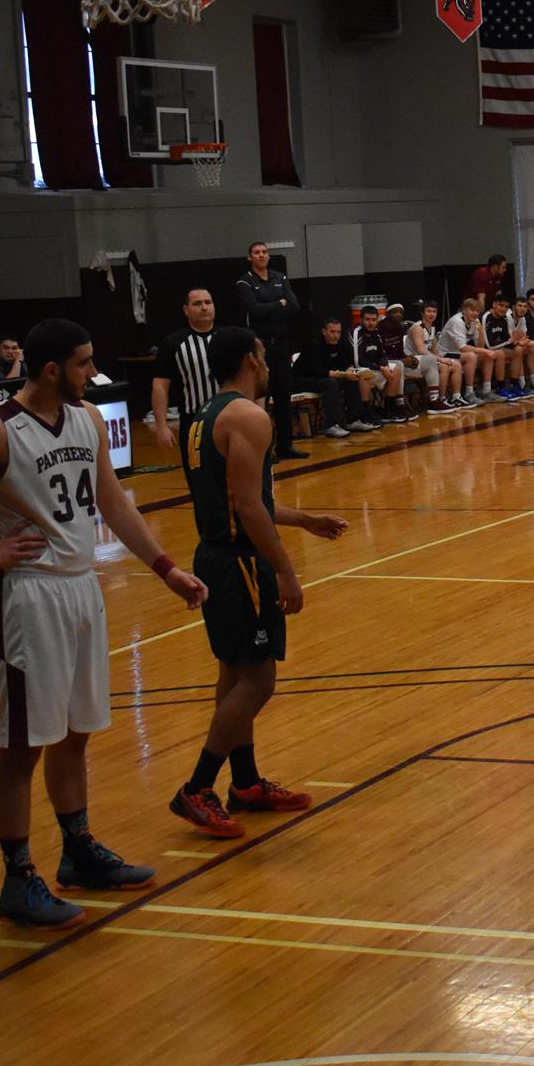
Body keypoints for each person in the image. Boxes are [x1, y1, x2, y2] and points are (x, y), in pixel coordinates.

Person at [0, 319, 207, 930]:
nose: (91, 374)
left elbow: (113, 501)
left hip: (80, 587)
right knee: (21, 746)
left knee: (76, 732)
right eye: (83, 364)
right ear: (50, 370)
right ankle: (18, 879)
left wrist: (165, 568)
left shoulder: (88, 421)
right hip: (26, 598)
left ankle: (78, 851)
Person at [170, 328, 347, 839]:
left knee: (233, 676)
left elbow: (241, 499)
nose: (268, 363)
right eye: (265, 356)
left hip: (215, 555)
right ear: (250, 360)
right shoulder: (250, 415)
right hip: (241, 564)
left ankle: (244, 784)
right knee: (258, 682)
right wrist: (288, 570)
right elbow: (248, 507)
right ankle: (197, 788)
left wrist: (303, 518)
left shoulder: (204, 417)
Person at [233, 241, 304, 460]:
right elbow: (255, 311)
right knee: (262, 397)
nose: (261, 255)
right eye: (257, 252)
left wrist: (275, 306)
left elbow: (294, 306)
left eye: (264, 252)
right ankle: (264, 449)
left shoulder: (279, 277)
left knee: (284, 396)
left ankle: (286, 445)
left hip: (281, 343)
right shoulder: (245, 281)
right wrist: (278, 304)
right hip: (260, 347)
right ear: (249, 257)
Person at [150, 287, 217, 453]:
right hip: (193, 420)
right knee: (197, 476)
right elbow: (160, 387)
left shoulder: (230, 338)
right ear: (186, 310)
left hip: (229, 417)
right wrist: (162, 426)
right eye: (197, 303)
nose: (204, 307)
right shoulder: (172, 343)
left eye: (208, 302)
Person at [288, 320, 368, 438]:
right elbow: (319, 372)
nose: (335, 335)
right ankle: (331, 425)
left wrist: (350, 370)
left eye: (338, 332)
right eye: (332, 332)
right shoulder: (313, 345)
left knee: (351, 379)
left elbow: (347, 363)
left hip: (322, 378)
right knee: (330, 383)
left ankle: (352, 420)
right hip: (301, 380)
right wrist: (344, 374)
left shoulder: (340, 343)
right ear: (324, 332)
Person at [348, 306, 410, 422]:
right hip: (354, 371)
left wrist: (385, 367)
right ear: (361, 320)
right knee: (364, 374)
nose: (370, 323)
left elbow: (382, 354)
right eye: (367, 319)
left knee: (395, 370)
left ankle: (388, 410)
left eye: (373, 320)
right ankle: (365, 414)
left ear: (377, 320)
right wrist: (381, 368)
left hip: (373, 368)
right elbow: (357, 361)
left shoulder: (376, 333)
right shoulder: (355, 332)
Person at [406, 303, 466, 414]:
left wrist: (444, 358)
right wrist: (441, 360)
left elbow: (434, 349)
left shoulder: (432, 328)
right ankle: (441, 399)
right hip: (413, 362)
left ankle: (456, 397)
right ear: (422, 313)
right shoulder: (417, 328)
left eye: (434, 311)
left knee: (456, 364)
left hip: (428, 361)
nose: (431, 314)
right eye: (429, 311)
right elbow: (420, 350)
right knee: (444, 366)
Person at [439, 298, 498, 405]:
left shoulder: (475, 321)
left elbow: (479, 346)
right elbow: (463, 348)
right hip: (445, 353)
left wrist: (481, 332)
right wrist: (485, 351)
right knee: (471, 356)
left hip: (459, 353)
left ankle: (486, 390)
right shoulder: (457, 321)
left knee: (487, 356)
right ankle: (469, 393)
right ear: (465, 310)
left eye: (477, 311)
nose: (475, 313)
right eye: (472, 310)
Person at [484, 298, 534, 401]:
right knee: (515, 350)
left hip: (504, 345)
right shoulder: (506, 318)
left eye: (525, 306)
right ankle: (500, 386)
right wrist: (517, 340)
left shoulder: (522, 318)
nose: (522, 309)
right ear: (513, 307)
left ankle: (518, 384)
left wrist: (518, 340)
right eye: (520, 306)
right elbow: (511, 339)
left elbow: (523, 337)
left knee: (525, 348)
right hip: (494, 347)